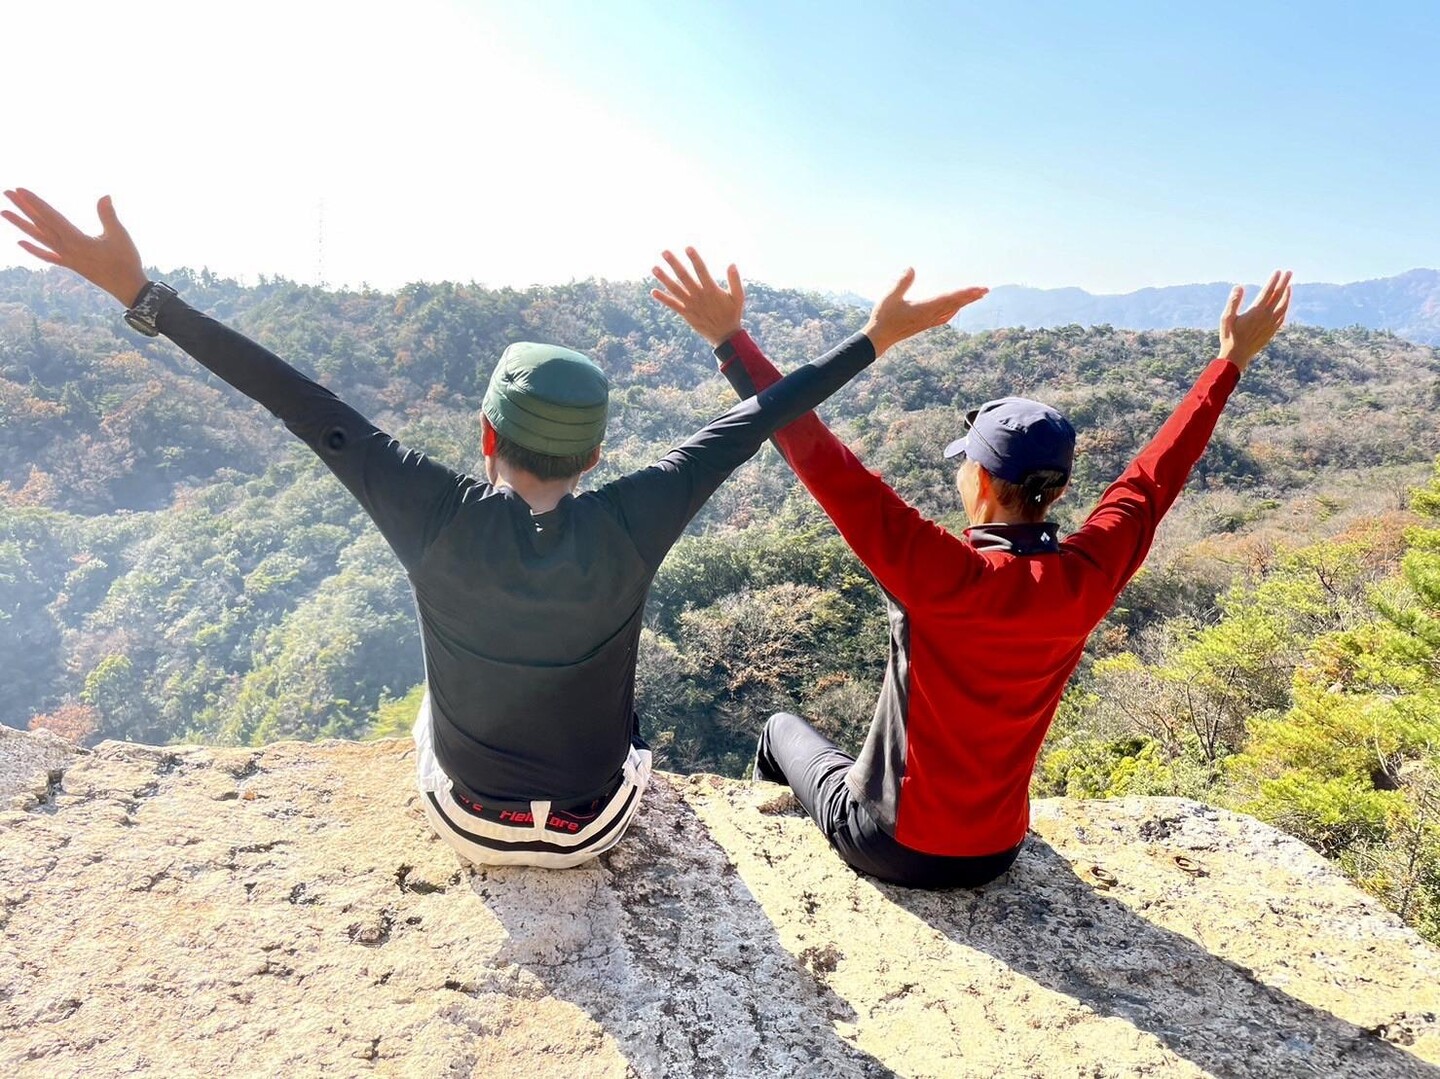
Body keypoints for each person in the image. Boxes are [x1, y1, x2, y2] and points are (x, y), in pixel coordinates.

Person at [2, 188, 984, 869]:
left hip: (468, 823)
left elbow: (299, 400)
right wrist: (873, 336)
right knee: (630, 727)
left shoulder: (432, 513)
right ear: (597, 455)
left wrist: (145, 297)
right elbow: (757, 419)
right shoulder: (635, 515)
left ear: (485, 434)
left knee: (427, 712)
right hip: (600, 821)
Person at [653, 247, 1291, 889]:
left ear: (980, 478)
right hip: (997, 852)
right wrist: (1229, 362)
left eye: (965, 462)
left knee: (778, 729)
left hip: (889, 842)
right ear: (1061, 490)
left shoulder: (944, 574)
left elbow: (814, 451)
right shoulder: (1087, 576)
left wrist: (730, 340)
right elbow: (1152, 480)